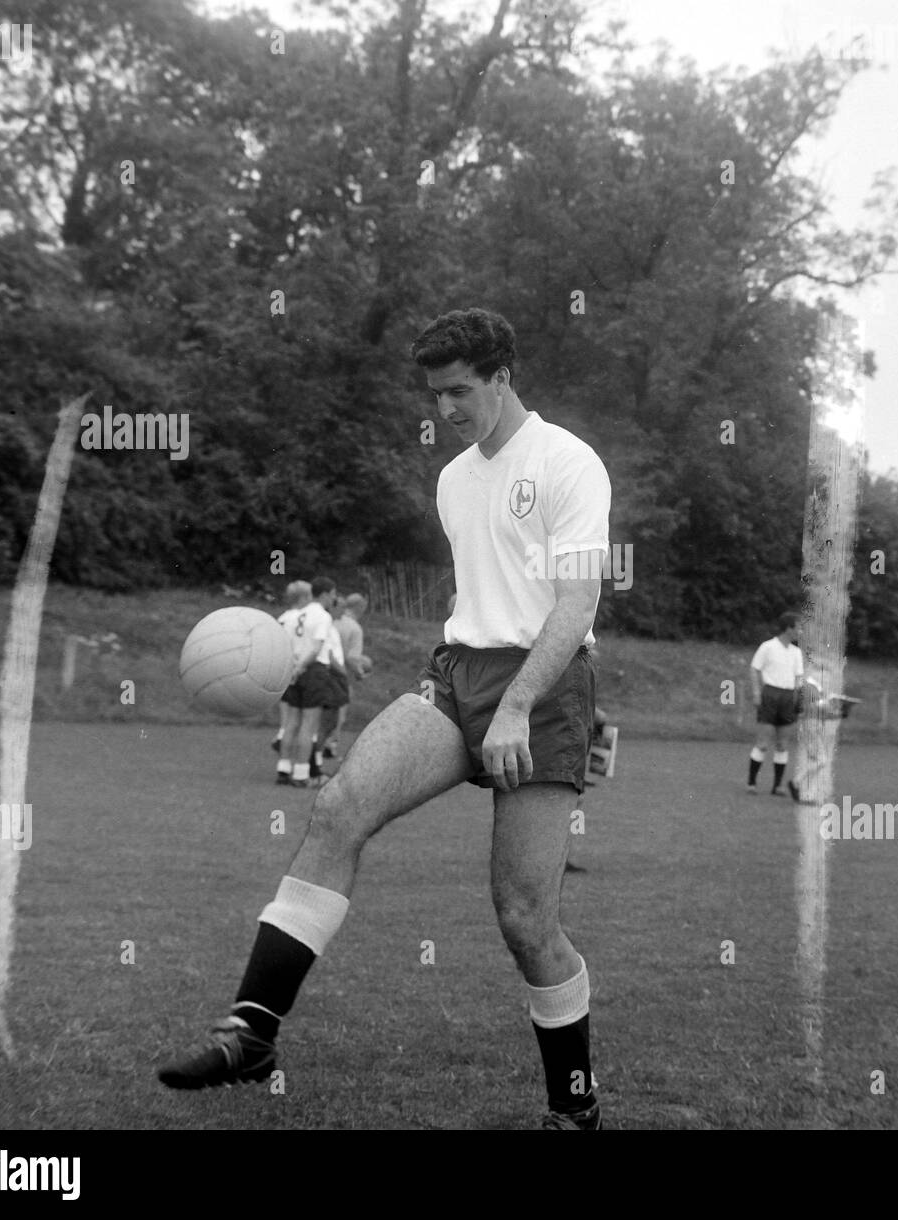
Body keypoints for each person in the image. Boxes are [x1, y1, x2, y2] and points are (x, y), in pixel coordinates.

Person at [159, 308, 611, 1131]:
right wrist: (478, 694)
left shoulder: (568, 462)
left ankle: (573, 1106)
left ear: (503, 377)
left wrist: (514, 706)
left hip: (543, 690)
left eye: (460, 392)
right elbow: (484, 596)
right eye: (435, 395)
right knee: (339, 805)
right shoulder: (452, 480)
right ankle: (252, 1032)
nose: (445, 411)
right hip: (458, 672)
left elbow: (576, 606)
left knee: (524, 919)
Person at [275, 577, 337, 787]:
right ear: (325, 594)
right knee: (309, 724)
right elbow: (317, 646)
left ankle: (283, 768)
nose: (334, 599)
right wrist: (302, 666)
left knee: (291, 721)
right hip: (312, 670)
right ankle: (301, 775)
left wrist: (294, 667)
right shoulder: (322, 616)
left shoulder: (297, 615)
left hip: (293, 670)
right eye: (334, 594)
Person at [746, 611, 804, 799]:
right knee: (763, 742)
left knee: (782, 744)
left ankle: (777, 786)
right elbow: (755, 669)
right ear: (788, 628)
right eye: (798, 627)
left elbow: (798, 678)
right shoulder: (768, 647)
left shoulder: (796, 652)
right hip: (770, 695)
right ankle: (752, 782)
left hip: (788, 698)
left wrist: (799, 700)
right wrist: (756, 693)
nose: (800, 631)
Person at [322, 592, 370, 759]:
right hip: (338, 674)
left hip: (320, 671)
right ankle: (330, 745)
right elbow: (352, 657)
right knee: (338, 711)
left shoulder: (327, 620)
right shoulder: (354, 627)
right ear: (361, 607)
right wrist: (360, 672)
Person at [271, 581, 312, 761]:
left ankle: (282, 738)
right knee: (305, 719)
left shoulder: (282, 617)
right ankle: (306, 762)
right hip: (303, 668)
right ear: (303, 597)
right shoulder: (306, 617)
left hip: (283, 669)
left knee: (287, 714)